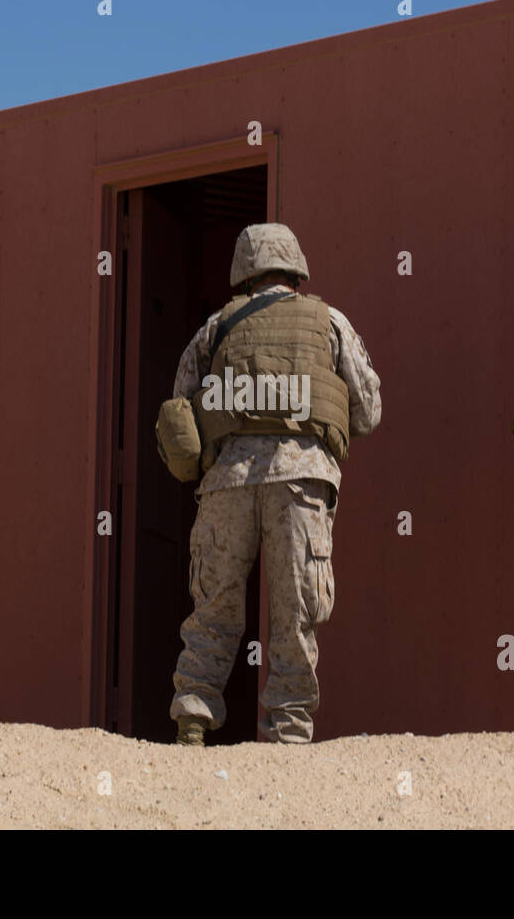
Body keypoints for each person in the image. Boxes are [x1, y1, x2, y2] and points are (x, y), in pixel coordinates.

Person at [168, 223, 381, 745]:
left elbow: (180, 412)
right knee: (296, 615)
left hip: (227, 484)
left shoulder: (213, 330)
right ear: (294, 267)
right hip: (300, 482)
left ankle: (193, 715)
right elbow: (369, 411)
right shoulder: (330, 322)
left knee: (213, 607)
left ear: (244, 271)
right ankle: (288, 735)